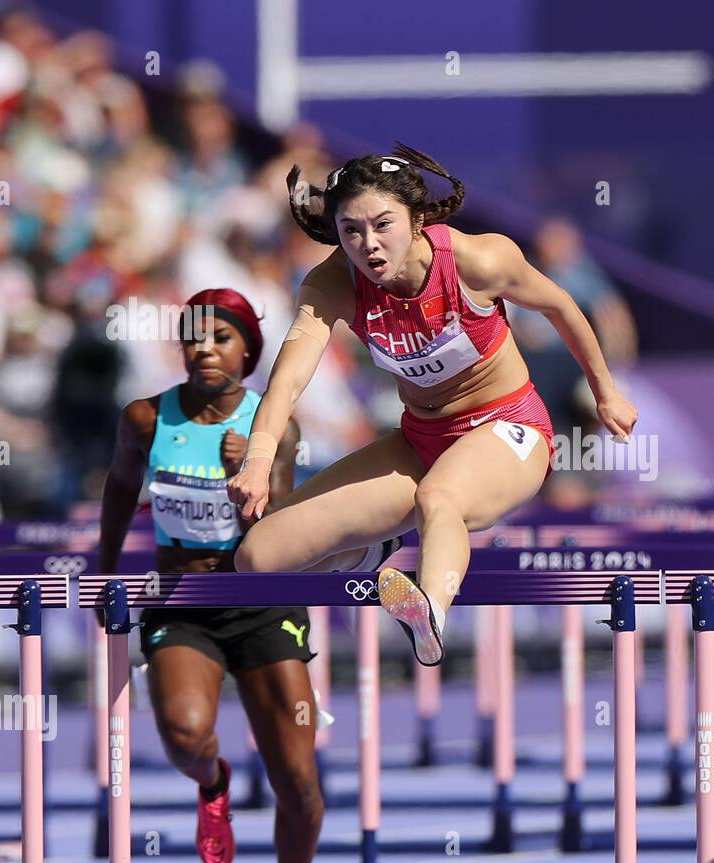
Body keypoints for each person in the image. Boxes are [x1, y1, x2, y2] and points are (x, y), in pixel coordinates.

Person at [228, 144, 637, 666]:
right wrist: (259, 462)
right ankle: (374, 551)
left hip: (507, 428)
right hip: (420, 440)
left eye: (382, 225)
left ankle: (430, 614)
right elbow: (286, 381)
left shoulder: (478, 260)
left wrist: (605, 391)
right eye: (351, 231)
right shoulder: (332, 283)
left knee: (440, 499)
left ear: (417, 218)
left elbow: (560, 305)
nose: (369, 245)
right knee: (258, 556)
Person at [97, 288, 332, 863]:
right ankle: (214, 782)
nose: (204, 348)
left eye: (220, 337)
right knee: (184, 735)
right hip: (182, 598)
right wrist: (106, 569)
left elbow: (281, 524)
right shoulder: (145, 418)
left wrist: (244, 483)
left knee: (300, 783)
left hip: (262, 601)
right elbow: (121, 488)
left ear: (247, 350)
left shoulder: (269, 423)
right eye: (193, 337)